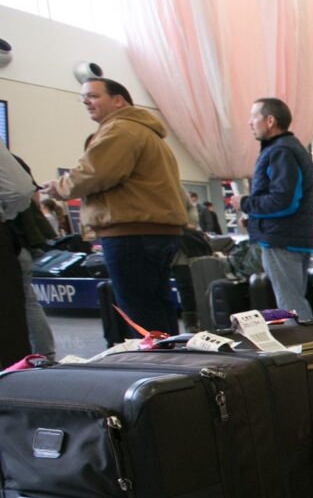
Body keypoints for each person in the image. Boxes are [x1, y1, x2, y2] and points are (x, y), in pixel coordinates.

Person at [43, 77, 186, 335]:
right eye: (83, 97)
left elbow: (94, 172)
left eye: (94, 96)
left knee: (140, 314)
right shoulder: (145, 132)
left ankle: (154, 369)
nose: (86, 101)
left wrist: (60, 187)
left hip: (132, 234)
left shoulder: (120, 130)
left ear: (118, 100)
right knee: (158, 308)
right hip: (156, 232)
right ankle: (172, 364)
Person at [235, 97, 313, 321]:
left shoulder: (280, 151)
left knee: (291, 305)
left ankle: (308, 351)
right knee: (293, 300)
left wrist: (245, 203)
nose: (250, 122)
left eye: (254, 116)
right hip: (290, 237)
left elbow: (284, 201)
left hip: (282, 240)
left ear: (270, 121)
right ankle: (311, 348)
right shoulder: (286, 149)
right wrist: (252, 218)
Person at [1, 151, 57, 359]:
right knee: (23, 305)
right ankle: (42, 357)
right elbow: (21, 189)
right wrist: (7, 214)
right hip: (16, 243)